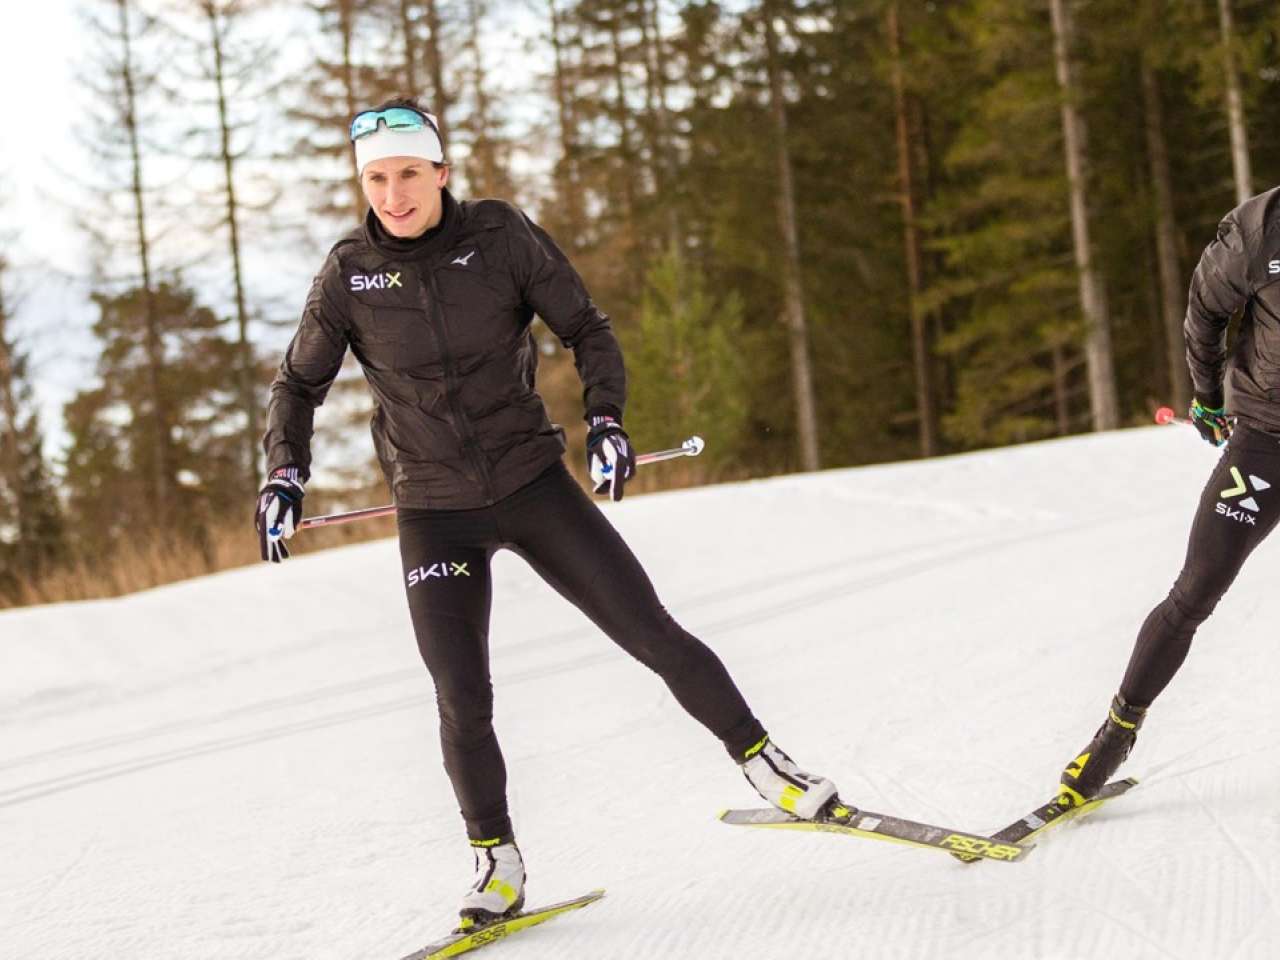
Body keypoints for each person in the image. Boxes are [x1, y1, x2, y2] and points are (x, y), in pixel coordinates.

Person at [254, 96, 839, 926]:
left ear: (442, 173)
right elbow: (297, 385)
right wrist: (284, 474)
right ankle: (496, 862)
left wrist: (607, 420)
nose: (394, 194)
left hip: (532, 484)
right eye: (377, 179)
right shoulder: (349, 272)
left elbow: (586, 328)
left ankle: (766, 764)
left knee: (649, 630)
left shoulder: (499, 236)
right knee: (461, 695)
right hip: (434, 508)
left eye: (409, 174)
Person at [1058, 186, 1280, 806]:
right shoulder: (1262, 231)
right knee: (1198, 587)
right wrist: (1208, 395)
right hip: (1268, 436)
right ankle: (1115, 734)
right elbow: (1205, 310)